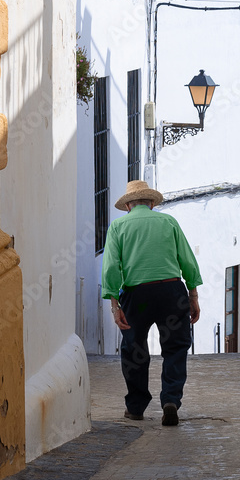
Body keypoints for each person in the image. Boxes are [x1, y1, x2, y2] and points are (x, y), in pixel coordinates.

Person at [101, 180, 202, 426]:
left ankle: (135, 407)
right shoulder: (169, 222)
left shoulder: (118, 226)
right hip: (171, 291)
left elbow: (112, 268)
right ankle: (170, 400)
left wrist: (115, 305)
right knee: (176, 347)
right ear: (152, 203)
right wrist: (193, 295)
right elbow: (187, 260)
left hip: (137, 295)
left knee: (134, 350)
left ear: (128, 205)